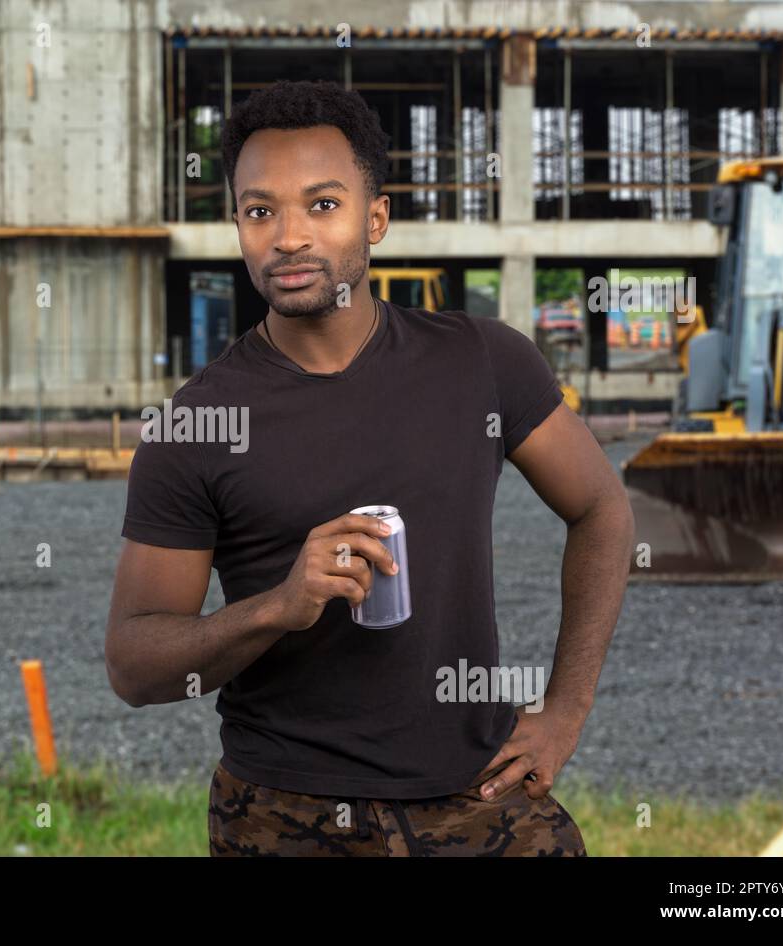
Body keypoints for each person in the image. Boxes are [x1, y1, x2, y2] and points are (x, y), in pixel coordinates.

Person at [104, 80, 635, 856]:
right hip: (282, 814)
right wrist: (277, 605)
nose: (288, 236)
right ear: (238, 226)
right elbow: (134, 665)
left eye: (323, 205)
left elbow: (602, 510)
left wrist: (566, 710)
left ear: (376, 217)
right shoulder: (196, 424)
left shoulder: (482, 362)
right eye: (260, 211)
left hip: (475, 792)